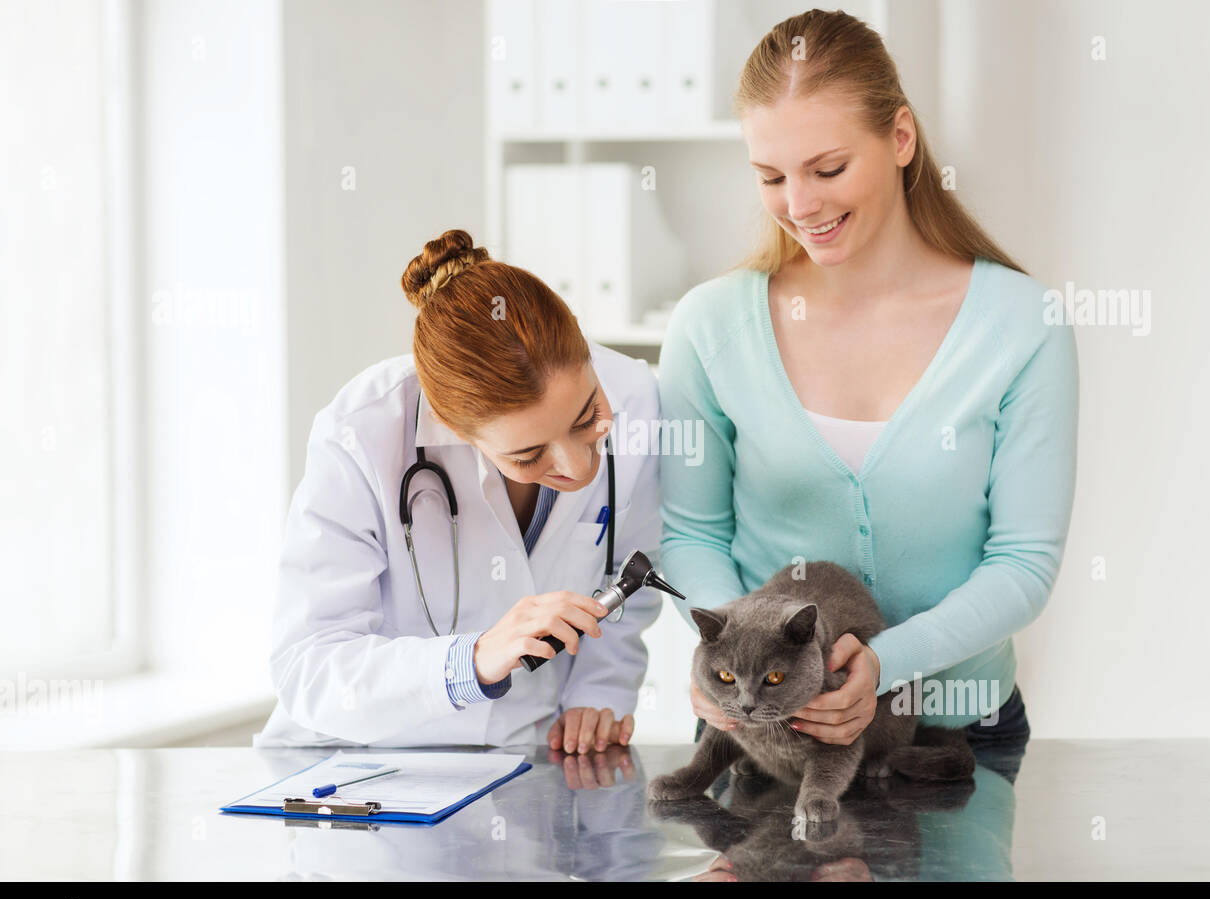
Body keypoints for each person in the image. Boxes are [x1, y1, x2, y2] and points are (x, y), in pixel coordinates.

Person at [658, 10, 1078, 769]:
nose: (800, 204)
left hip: (957, 733)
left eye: (828, 169)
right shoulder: (710, 326)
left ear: (901, 137)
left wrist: (889, 663)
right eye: (771, 177)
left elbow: (1023, 563)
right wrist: (731, 649)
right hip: (763, 735)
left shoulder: (1022, 324)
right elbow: (692, 536)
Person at [254, 229, 662, 753]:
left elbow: (628, 576)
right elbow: (309, 667)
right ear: (450, 424)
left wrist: (597, 690)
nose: (579, 467)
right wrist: (472, 661)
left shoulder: (636, 395)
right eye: (528, 455)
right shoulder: (360, 432)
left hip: (529, 754)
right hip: (358, 763)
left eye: (588, 419)